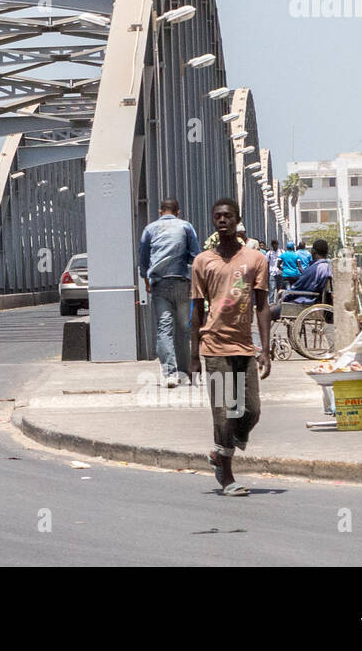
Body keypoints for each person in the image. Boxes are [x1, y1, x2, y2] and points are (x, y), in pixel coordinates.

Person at [190, 198, 272, 496]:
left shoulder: (255, 259)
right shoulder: (203, 262)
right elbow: (196, 310)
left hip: (244, 346)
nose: (222, 220)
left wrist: (266, 348)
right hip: (214, 345)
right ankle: (225, 472)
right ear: (213, 220)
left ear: (238, 220)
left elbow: (261, 306)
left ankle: (221, 449)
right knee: (223, 412)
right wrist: (193, 355)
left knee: (250, 410)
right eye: (217, 216)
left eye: (228, 216)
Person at [138, 198, 201, 388]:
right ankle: (187, 372)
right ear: (178, 212)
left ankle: (170, 374)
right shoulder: (186, 227)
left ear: (160, 211)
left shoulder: (149, 229)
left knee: (164, 328)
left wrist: (147, 280)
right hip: (182, 282)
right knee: (185, 328)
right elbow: (195, 255)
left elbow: (143, 259)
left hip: (159, 284)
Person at [284, 239, 333, 305]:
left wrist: (285, 296)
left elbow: (297, 287)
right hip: (315, 297)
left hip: (306, 300)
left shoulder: (314, 269)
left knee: (273, 309)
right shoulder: (328, 266)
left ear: (313, 251)